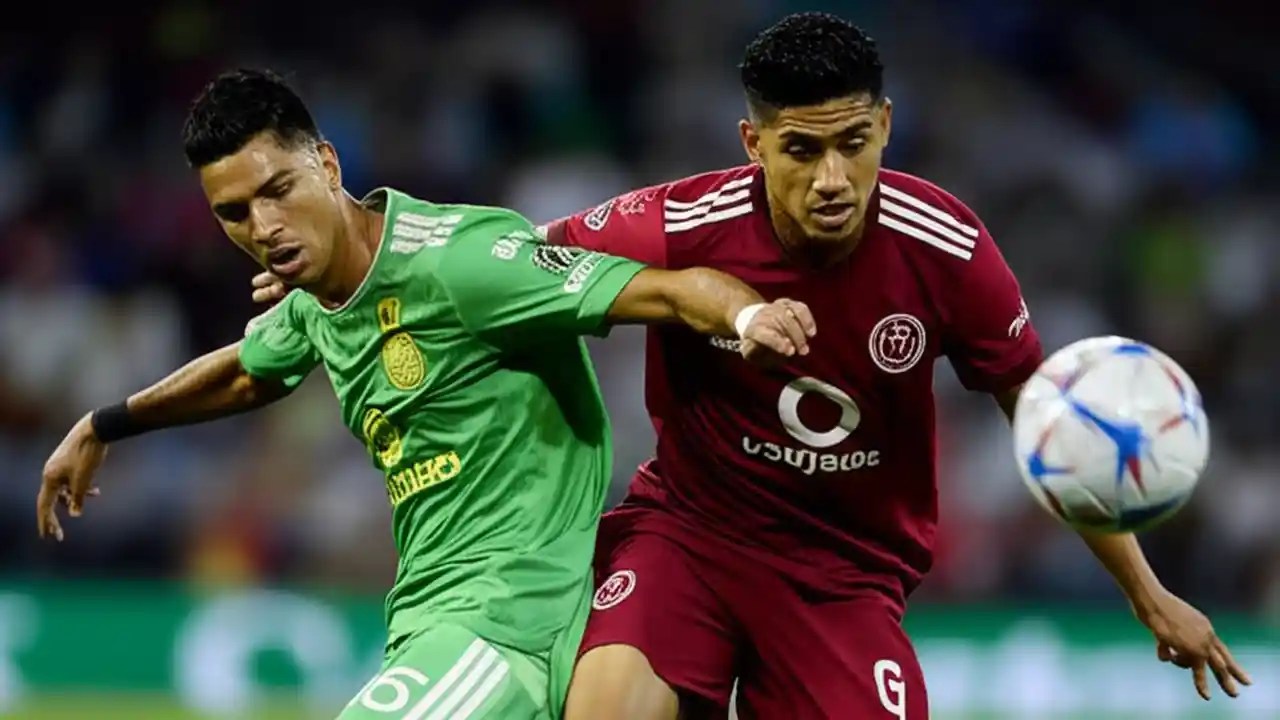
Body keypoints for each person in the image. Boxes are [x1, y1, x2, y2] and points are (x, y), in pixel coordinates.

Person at [249, 14, 1253, 719]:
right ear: (752, 143)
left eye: (854, 144)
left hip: (845, 579)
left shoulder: (945, 248)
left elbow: (1045, 424)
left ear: (885, 128)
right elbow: (488, 272)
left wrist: (1144, 591)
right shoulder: (676, 224)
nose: (831, 178)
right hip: (687, 535)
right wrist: (332, 270)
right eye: (801, 149)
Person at [34, 68, 818, 720]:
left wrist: (748, 313)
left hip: (511, 621)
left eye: (278, 190)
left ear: (329, 165)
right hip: (426, 622)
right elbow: (248, 369)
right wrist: (105, 422)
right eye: (234, 212)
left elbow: (667, 290)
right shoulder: (314, 297)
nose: (263, 225)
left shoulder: (460, 265)